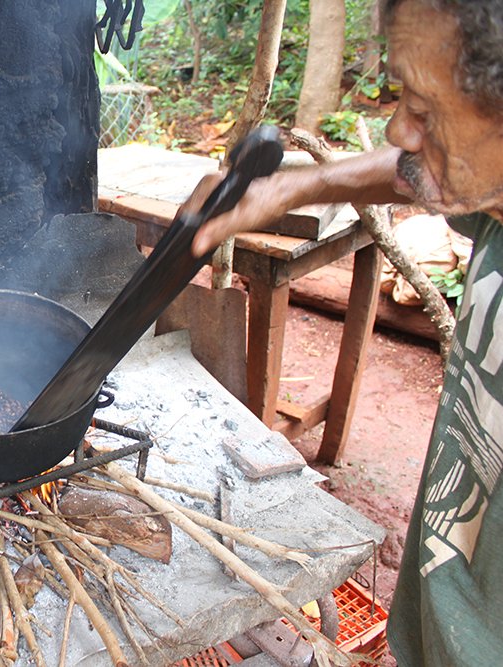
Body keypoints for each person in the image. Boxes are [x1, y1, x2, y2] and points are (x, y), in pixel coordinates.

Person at [182, 0, 503, 664]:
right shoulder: (491, 194)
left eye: (423, 110)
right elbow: (417, 171)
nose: (396, 128)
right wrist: (289, 190)